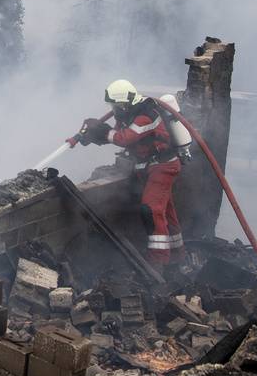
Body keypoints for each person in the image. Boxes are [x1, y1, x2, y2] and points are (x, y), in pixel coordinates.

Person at [77, 79, 183, 265]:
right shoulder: (129, 115)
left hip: (163, 167)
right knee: (166, 210)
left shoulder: (145, 115)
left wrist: (103, 132)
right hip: (150, 167)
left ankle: (158, 262)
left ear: (124, 104)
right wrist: (94, 135)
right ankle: (178, 255)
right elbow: (116, 135)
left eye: (115, 105)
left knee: (151, 209)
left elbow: (125, 138)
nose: (113, 109)